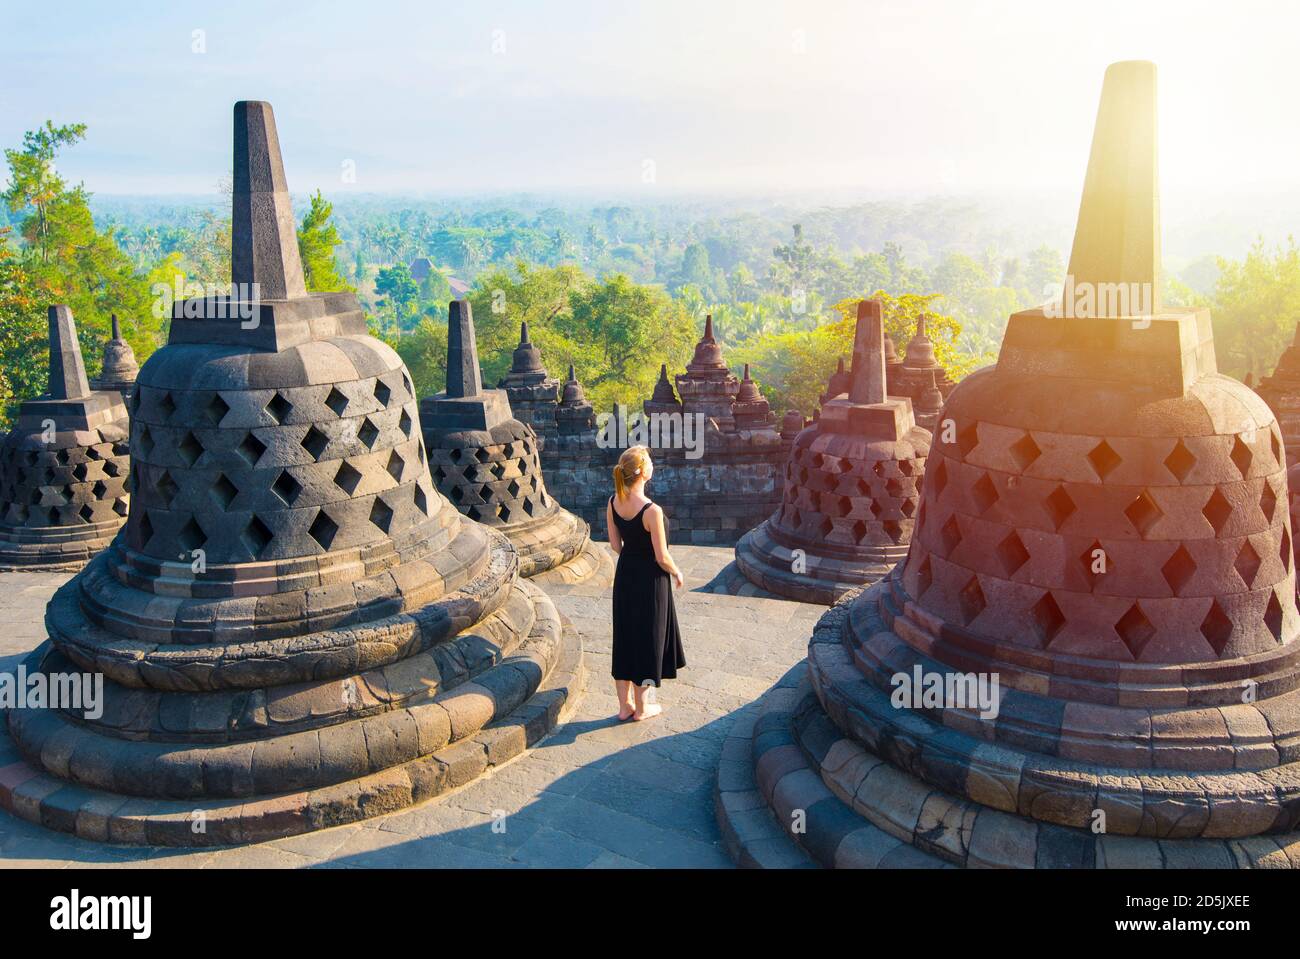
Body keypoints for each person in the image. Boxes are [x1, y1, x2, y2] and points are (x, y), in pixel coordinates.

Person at [607, 445, 686, 721]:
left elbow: (616, 546)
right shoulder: (652, 510)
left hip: (626, 575)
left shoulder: (613, 502)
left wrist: (634, 556)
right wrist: (676, 572)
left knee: (626, 636)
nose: (653, 465)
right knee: (646, 637)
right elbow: (662, 556)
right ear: (642, 472)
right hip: (650, 580)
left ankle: (623, 706)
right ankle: (642, 708)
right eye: (650, 462)